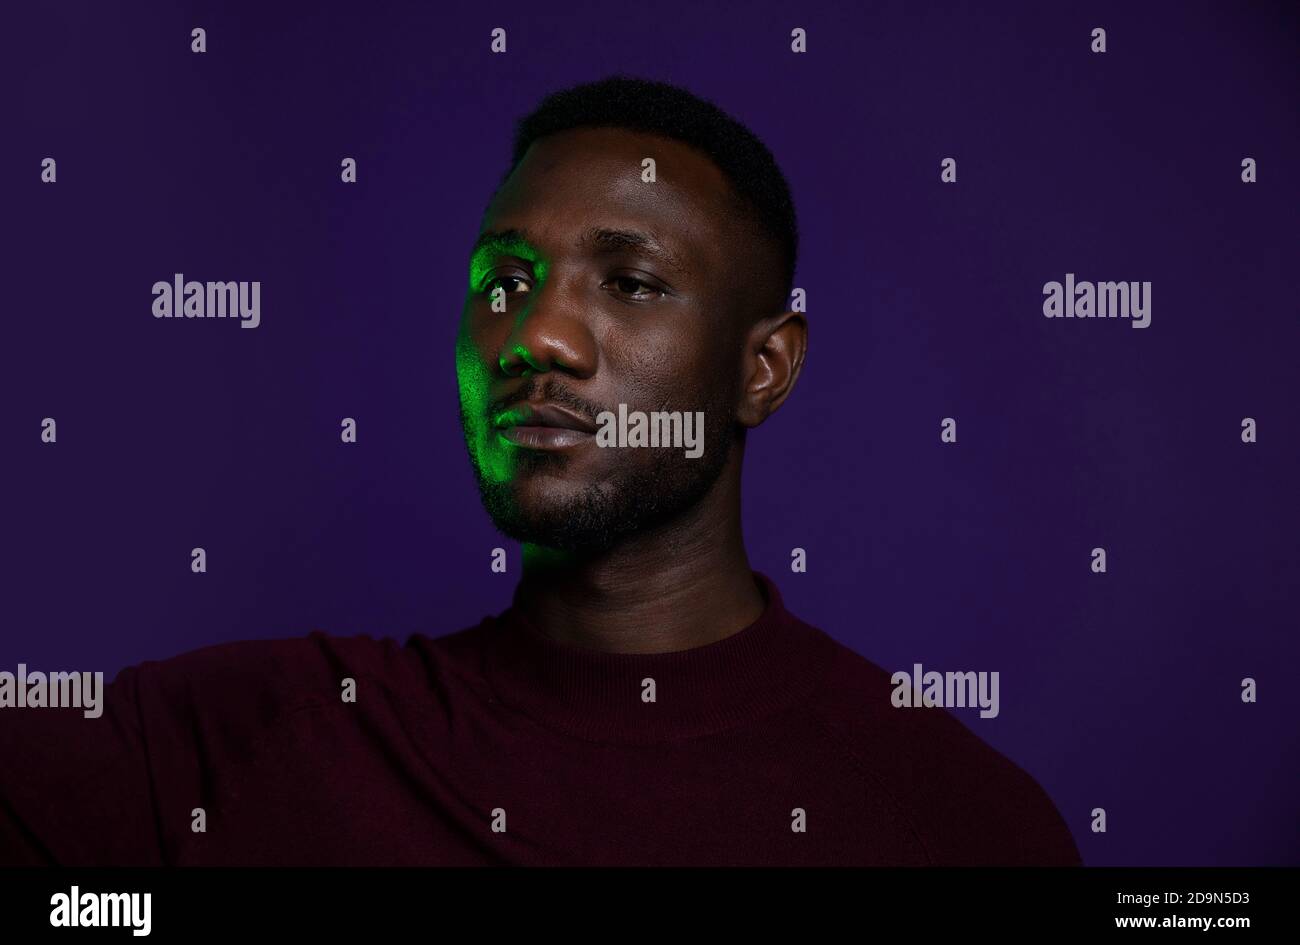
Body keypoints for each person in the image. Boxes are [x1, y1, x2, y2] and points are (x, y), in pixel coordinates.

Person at [0, 75, 1080, 866]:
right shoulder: (240, 745)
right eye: (504, 278)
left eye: (631, 282)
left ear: (763, 367)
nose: (538, 335)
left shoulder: (955, 820)